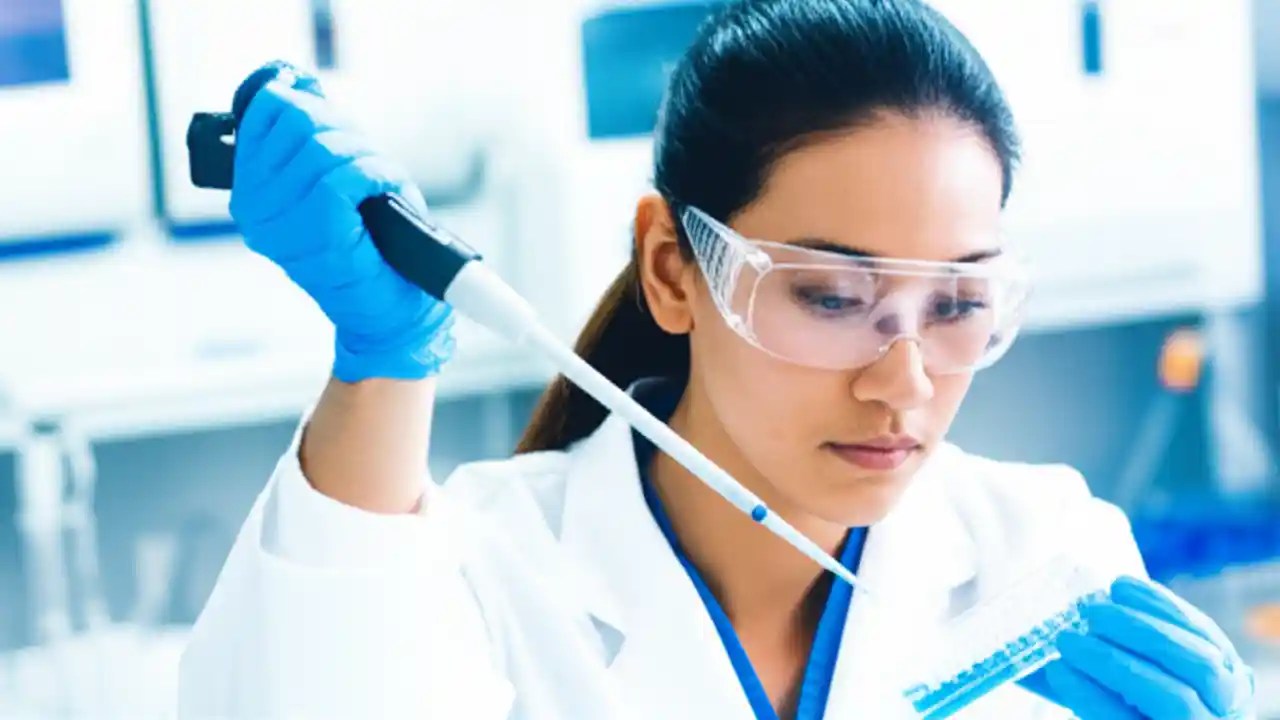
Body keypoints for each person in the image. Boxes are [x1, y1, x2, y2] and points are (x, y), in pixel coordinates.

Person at [177, 1, 1256, 718]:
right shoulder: (490, 579)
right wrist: (384, 362)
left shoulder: (1047, 563)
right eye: (831, 296)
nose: (905, 383)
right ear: (670, 268)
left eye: (959, 302)